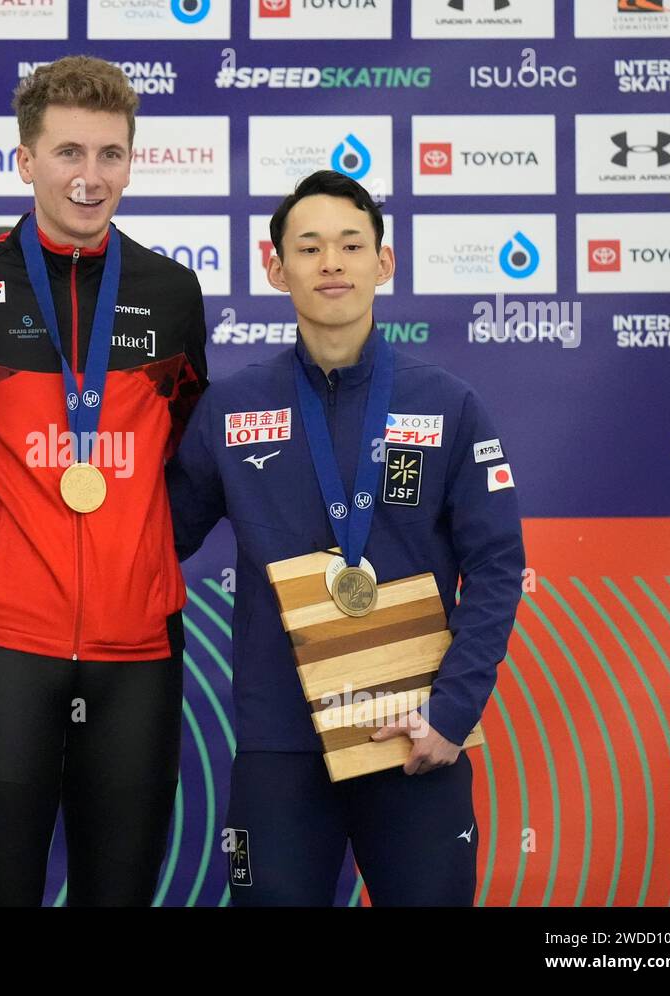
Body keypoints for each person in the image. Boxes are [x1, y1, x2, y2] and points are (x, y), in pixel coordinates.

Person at [0, 56, 209, 906]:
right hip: (2, 648)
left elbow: (188, 453)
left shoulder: (172, 293)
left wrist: (144, 551)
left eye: (111, 154)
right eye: (69, 152)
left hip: (139, 652)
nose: (90, 177)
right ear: (25, 160)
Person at [168, 170, 525, 906]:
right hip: (280, 743)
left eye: (351, 244)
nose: (331, 262)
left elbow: (496, 568)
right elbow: (156, 540)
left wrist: (452, 713)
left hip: (412, 732)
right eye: (309, 247)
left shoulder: (450, 406)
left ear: (383, 263)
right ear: (277, 268)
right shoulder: (232, 409)